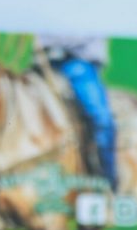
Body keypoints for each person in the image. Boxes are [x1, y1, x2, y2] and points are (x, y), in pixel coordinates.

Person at [39, 35, 117, 190]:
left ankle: (106, 182)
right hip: (42, 62)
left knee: (101, 120)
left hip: (79, 62)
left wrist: (50, 42)